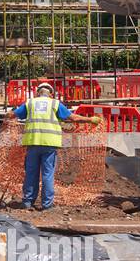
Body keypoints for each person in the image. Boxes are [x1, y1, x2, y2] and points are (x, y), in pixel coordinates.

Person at [10, 82, 98, 211]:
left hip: (33, 143)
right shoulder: (55, 104)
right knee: (47, 174)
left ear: (37, 92)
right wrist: (90, 120)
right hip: (50, 144)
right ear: (51, 94)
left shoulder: (30, 103)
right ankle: (47, 205)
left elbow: (13, 115)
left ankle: (27, 202)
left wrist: (7, 116)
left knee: (31, 173)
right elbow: (73, 118)